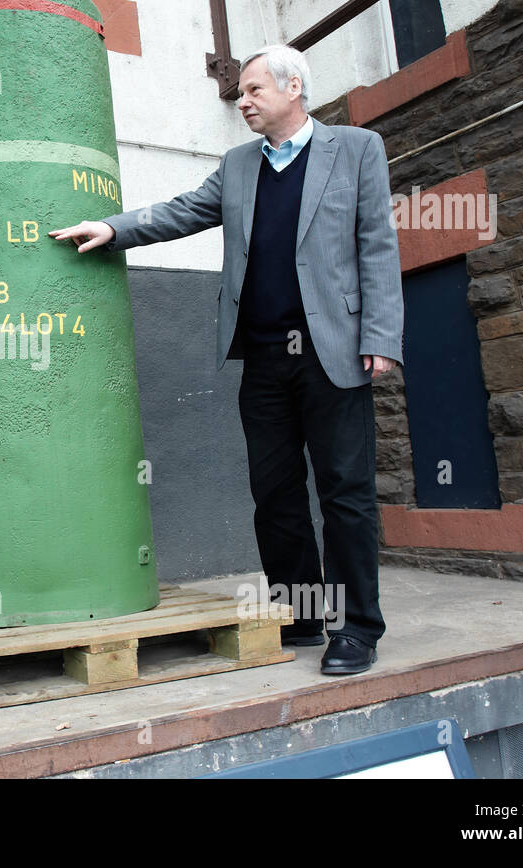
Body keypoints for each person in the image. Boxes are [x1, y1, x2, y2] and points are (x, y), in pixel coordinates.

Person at [51, 44, 402, 676]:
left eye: (253, 90)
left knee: (346, 493)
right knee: (274, 492)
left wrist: (381, 337)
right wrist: (114, 228)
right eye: (240, 92)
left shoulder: (355, 149)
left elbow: (377, 244)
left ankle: (358, 629)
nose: (241, 102)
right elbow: (186, 210)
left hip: (335, 353)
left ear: (293, 88)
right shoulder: (239, 166)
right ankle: (301, 611)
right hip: (263, 356)